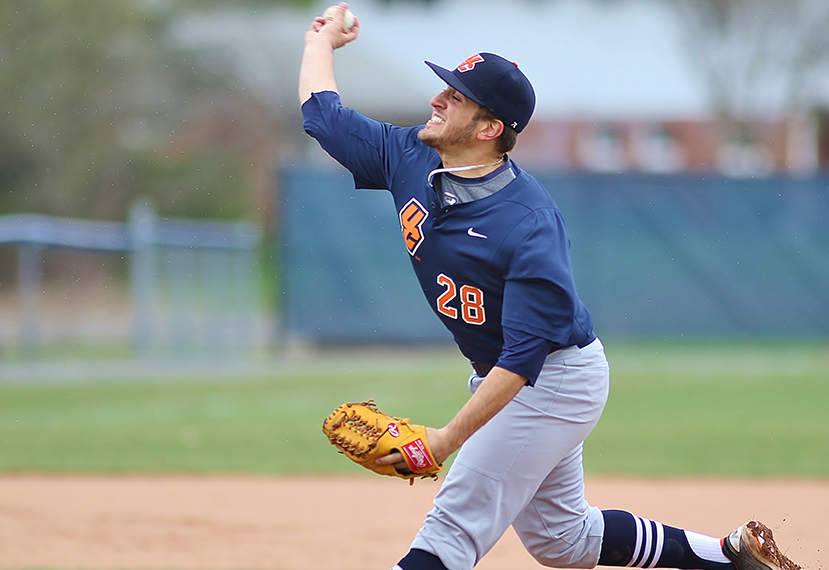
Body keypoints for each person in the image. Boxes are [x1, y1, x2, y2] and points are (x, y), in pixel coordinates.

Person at [298, 5, 801, 570]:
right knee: (564, 541)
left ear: (489, 129)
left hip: (552, 379)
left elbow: (522, 360)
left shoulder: (528, 223)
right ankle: (730, 557)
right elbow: (323, 117)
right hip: (507, 374)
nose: (437, 99)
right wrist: (322, 40)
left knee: (452, 530)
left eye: (456, 97)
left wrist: (443, 440)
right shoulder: (410, 154)